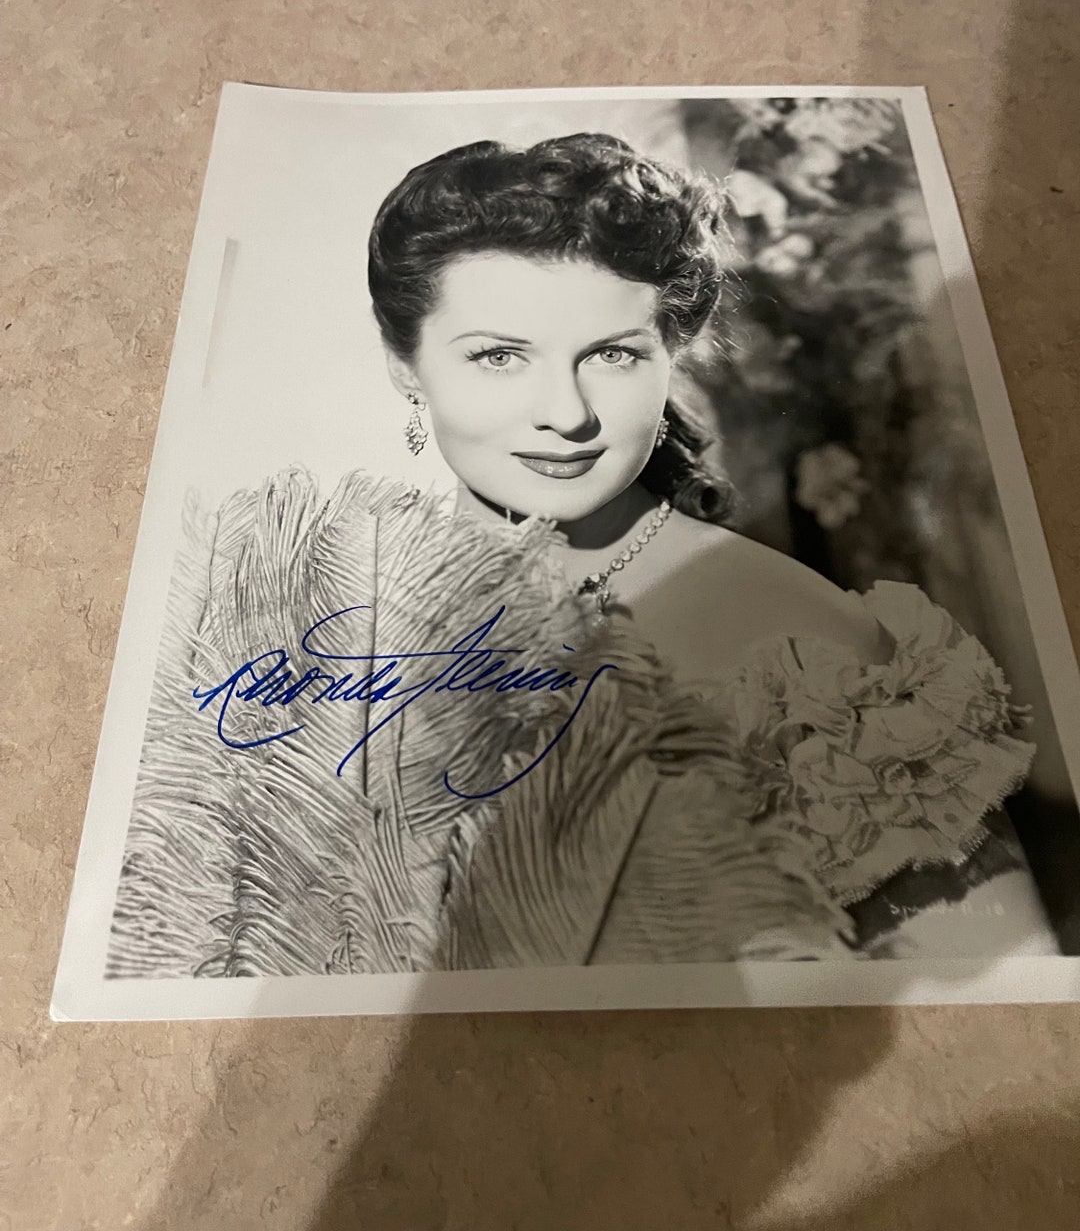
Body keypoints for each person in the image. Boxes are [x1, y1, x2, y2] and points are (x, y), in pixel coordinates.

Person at [108, 132, 1055, 981]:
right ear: (403, 361)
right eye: (497, 357)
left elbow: (995, 1021)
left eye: (610, 355)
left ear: (670, 353)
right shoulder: (297, 618)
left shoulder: (807, 649)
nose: (565, 414)